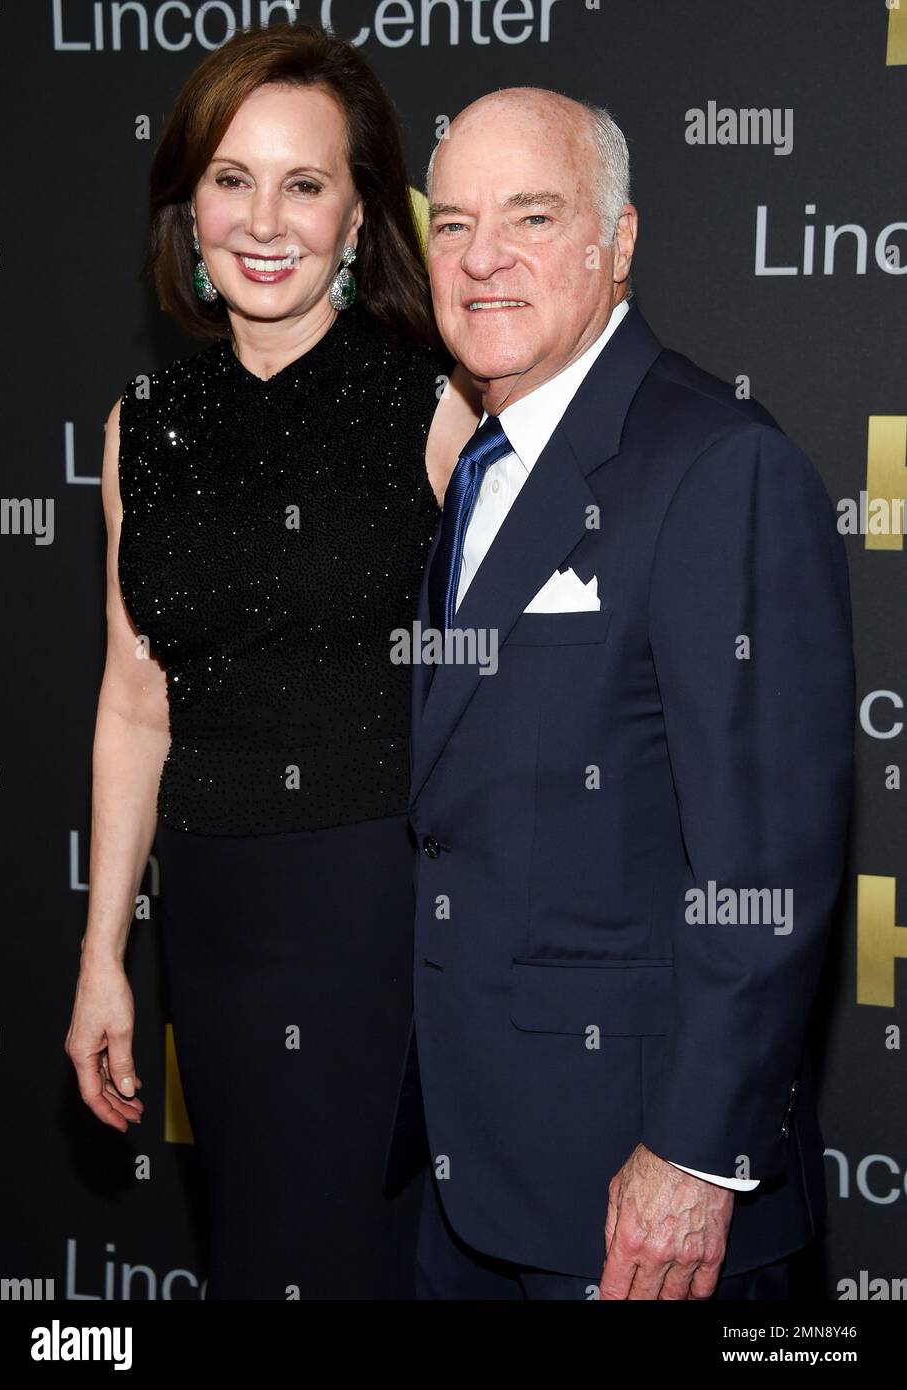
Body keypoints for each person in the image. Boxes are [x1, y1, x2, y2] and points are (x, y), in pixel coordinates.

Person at [384, 87, 855, 1300]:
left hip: (632, 1193)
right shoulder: (478, 460)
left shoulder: (714, 464)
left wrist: (694, 1156)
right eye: (451, 224)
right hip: (468, 1170)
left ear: (618, 241)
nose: (480, 258)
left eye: (530, 217)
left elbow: (765, 862)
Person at [64, 23, 477, 1300]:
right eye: (232, 179)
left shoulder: (439, 408)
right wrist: (100, 959)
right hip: (215, 921)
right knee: (254, 1252)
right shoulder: (148, 427)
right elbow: (137, 704)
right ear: (188, 204)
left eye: (306, 184)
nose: (265, 219)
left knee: (350, 1256)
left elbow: (510, 693)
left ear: (360, 219)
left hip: (378, 912)